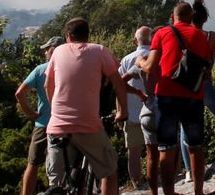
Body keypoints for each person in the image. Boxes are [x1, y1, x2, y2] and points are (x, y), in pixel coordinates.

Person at [45, 18, 130, 195]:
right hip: (87, 125)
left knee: (56, 184)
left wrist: (56, 111)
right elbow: (118, 83)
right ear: (87, 36)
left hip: (57, 127)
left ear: (68, 36)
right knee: (110, 170)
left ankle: (56, 187)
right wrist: (123, 111)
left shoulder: (58, 51)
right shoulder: (99, 51)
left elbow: (48, 85)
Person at [140, 1, 215, 195]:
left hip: (166, 96)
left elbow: (150, 67)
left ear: (173, 17)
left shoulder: (162, 33)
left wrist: (140, 61)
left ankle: (169, 193)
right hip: (193, 96)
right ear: (191, 17)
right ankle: (198, 191)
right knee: (196, 146)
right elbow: (207, 69)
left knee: (166, 148)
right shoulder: (201, 36)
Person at [177, 1, 215, 180]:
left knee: (184, 128)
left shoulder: (182, 36)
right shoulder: (210, 36)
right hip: (205, 83)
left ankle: (189, 171)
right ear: (204, 19)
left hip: (187, 86)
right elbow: (209, 63)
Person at [17, 36, 63, 195]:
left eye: (46, 49)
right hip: (66, 122)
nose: (44, 52)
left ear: (52, 50)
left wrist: (30, 113)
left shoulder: (40, 69)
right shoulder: (69, 67)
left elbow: (19, 93)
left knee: (33, 163)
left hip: (43, 123)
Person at [118, 28, 153, 192]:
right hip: (153, 110)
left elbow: (118, 86)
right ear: (151, 40)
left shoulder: (126, 60)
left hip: (131, 113)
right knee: (154, 148)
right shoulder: (154, 57)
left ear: (134, 41)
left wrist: (120, 111)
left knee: (133, 152)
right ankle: (157, 178)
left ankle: (137, 184)